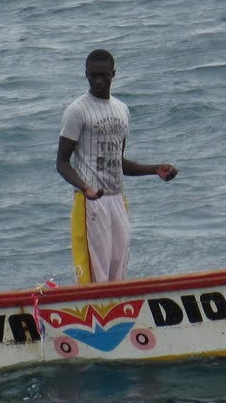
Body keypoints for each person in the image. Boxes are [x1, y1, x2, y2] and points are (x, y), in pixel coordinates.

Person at [56, 49, 178, 284]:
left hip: (117, 198)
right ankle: (92, 315)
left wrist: (154, 169)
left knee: (118, 268)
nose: (98, 81)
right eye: (93, 76)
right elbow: (62, 163)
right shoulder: (77, 111)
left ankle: (116, 316)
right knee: (95, 272)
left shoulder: (121, 110)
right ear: (86, 75)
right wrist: (85, 187)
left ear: (113, 74)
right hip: (91, 201)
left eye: (103, 75)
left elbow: (117, 161)